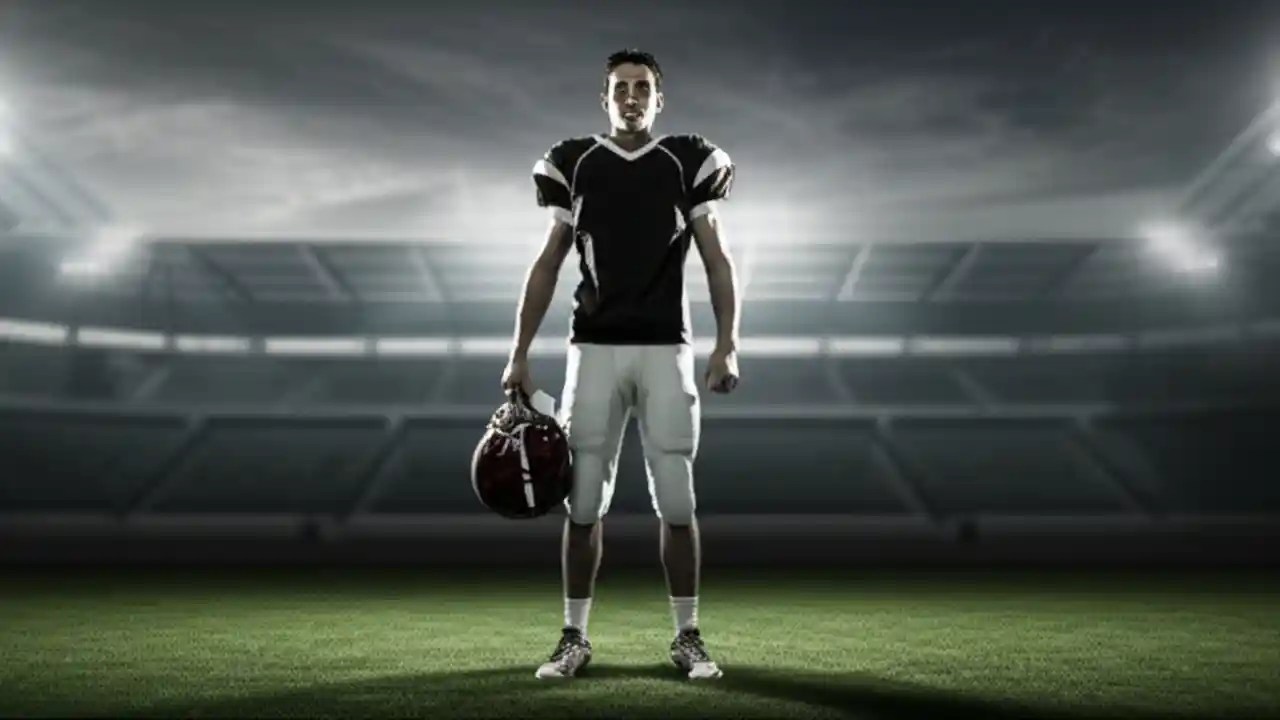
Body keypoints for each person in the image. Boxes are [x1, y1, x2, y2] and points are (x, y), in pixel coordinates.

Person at [501, 48, 741, 680]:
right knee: (582, 504)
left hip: (667, 347)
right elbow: (549, 263)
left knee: (678, 500)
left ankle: (688, 635)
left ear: (659, 100)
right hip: (594, 348)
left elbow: (717, 259)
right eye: (620, 88)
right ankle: (573, 637)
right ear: (603, 98)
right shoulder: (575, 163)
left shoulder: (686, 161)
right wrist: (518, 352)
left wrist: (728, 343)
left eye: (642, 88)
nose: (630, 98)